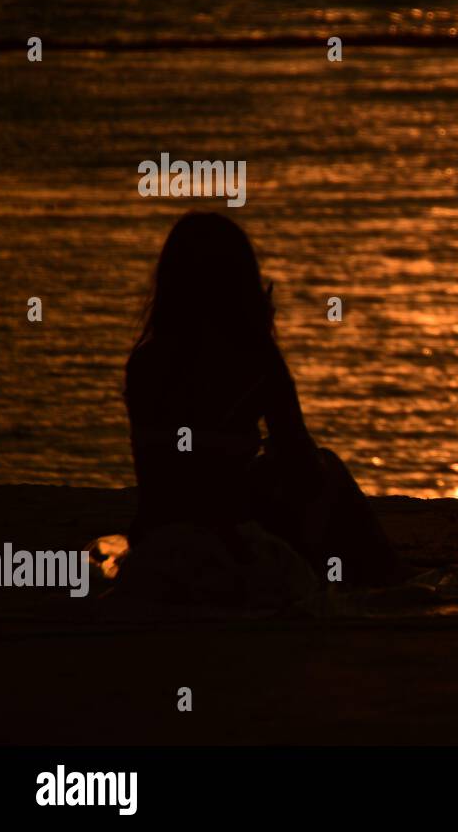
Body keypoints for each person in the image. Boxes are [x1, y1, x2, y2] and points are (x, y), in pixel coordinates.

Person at [123, 211, 405, 589]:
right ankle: (386, 578)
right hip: (230, 541)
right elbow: (300, 460)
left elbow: (168, 471)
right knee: (329, 470)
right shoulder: (255, 360)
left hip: (156, 537)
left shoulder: (145, 363)